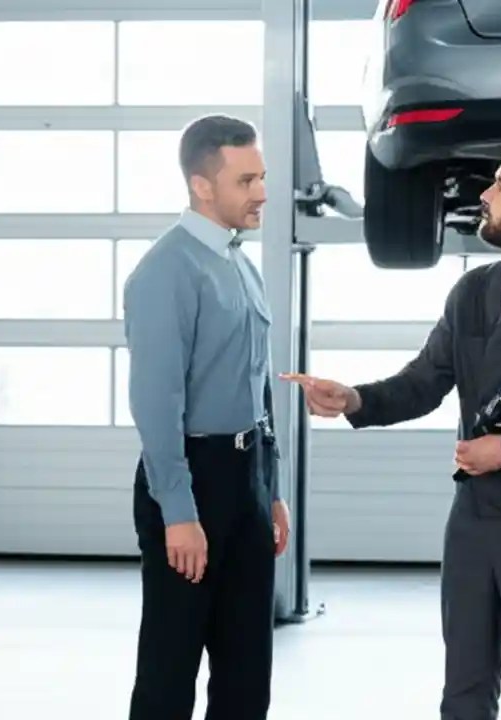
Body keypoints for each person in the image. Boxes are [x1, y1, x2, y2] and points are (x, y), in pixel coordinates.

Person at [283, 138, 501, 720]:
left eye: (499, 185)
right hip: (470, 522)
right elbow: (426, 380)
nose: (484, 194)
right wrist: (354, 399)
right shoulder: (473, 293)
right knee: (464, 691)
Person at [123, 114, 290, 720]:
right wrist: (179, 513)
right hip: (191, 478)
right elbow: (155, 401)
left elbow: (256, 381)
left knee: (248, 672)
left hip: (245, 480)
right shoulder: (166, 272)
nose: (262, 193)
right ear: (202, 185)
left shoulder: (241, 265)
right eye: (247, 180)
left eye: (262, 177)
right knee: (170, 672)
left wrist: (271, 489)